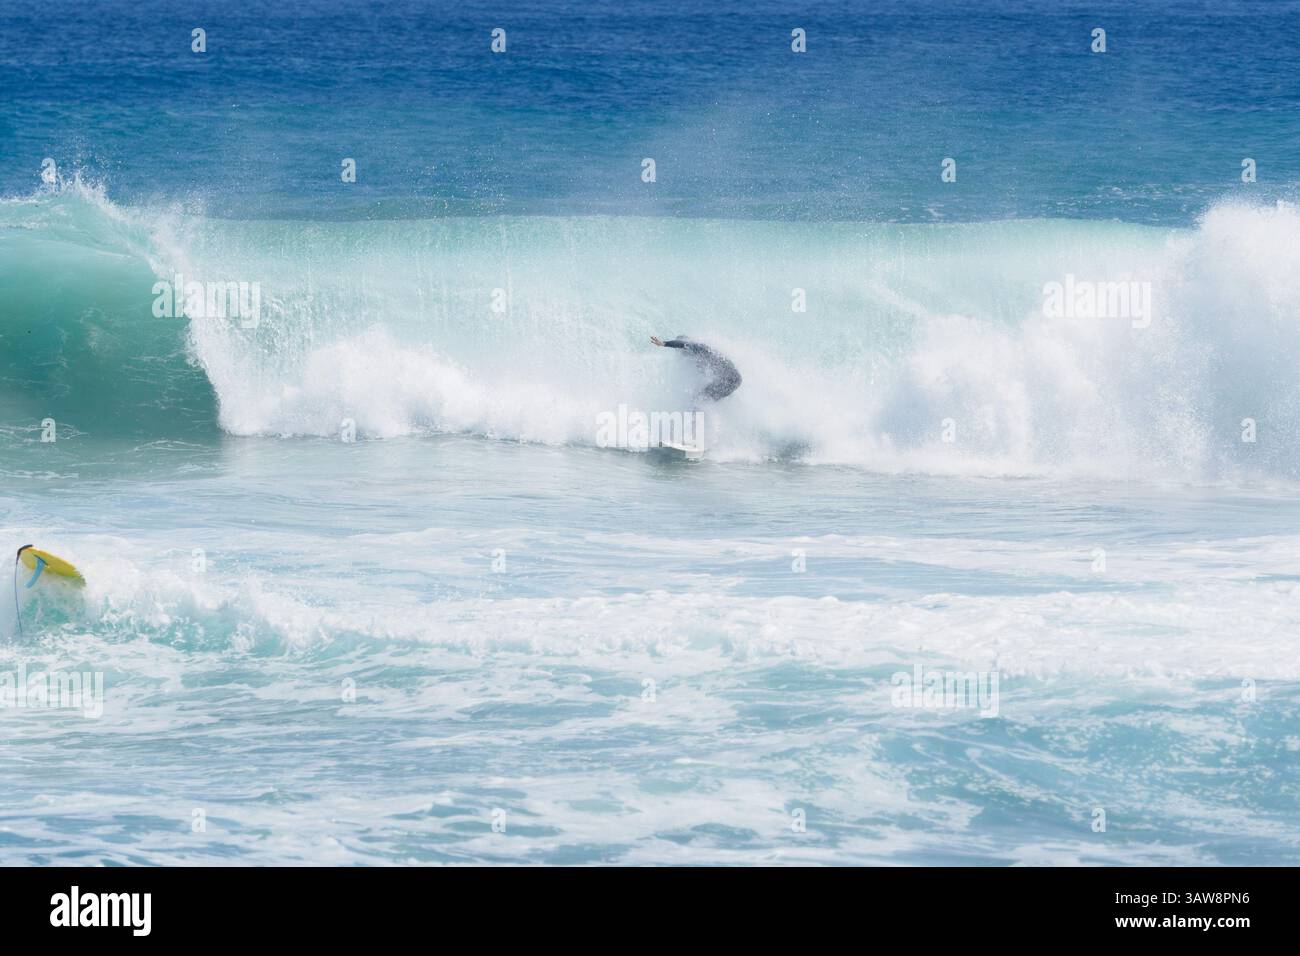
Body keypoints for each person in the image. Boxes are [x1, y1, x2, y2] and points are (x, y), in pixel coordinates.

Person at [650, 335, 742, 402]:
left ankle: (695, 422)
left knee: (698, 399)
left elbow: (682, 344)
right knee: (704, 398)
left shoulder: (697, 347)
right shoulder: (701, 356)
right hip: (733, 380)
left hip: (731, 379)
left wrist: (664, 343)